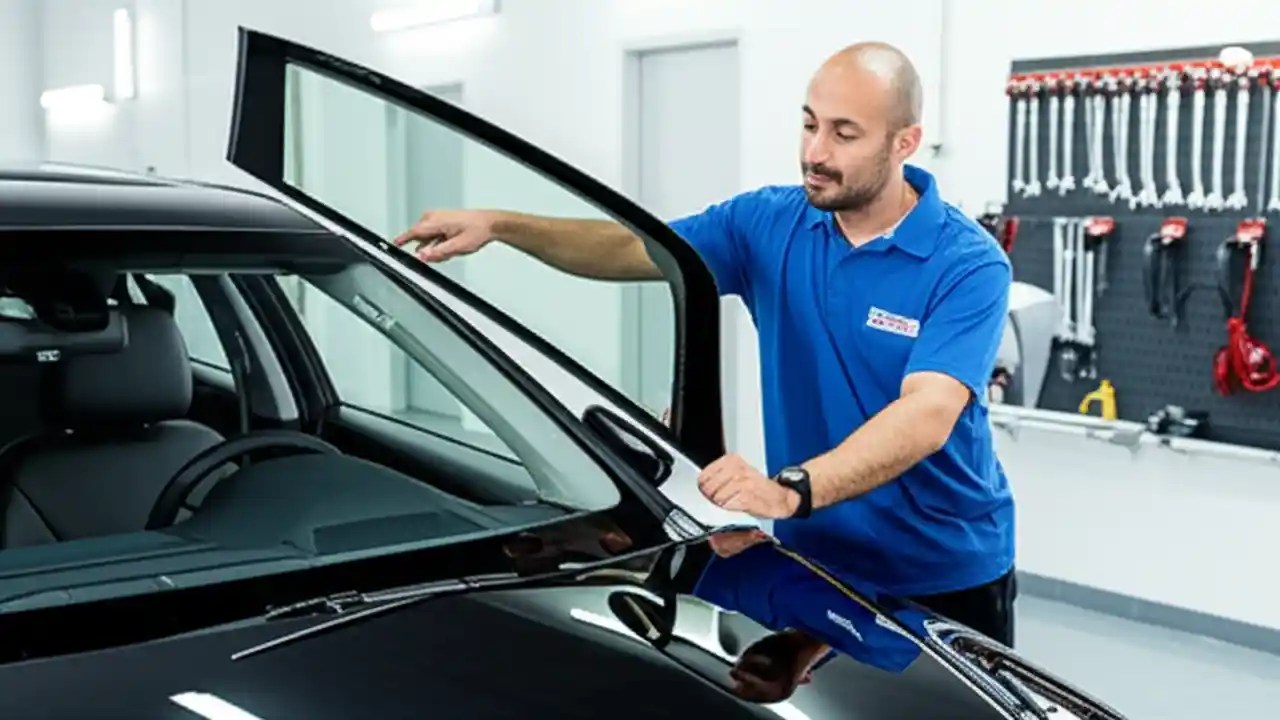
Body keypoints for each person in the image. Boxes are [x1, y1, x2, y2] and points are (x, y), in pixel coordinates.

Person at [392, 41, 1017, 646]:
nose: (815, 152)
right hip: (815, 555)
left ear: (904, 142)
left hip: (941, 571)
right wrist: (503, 226)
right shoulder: (768, 224)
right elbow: (632, 247)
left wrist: (790, 489)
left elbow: (927, 414)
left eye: (844, 134)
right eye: (808, 125)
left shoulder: (965, 264)